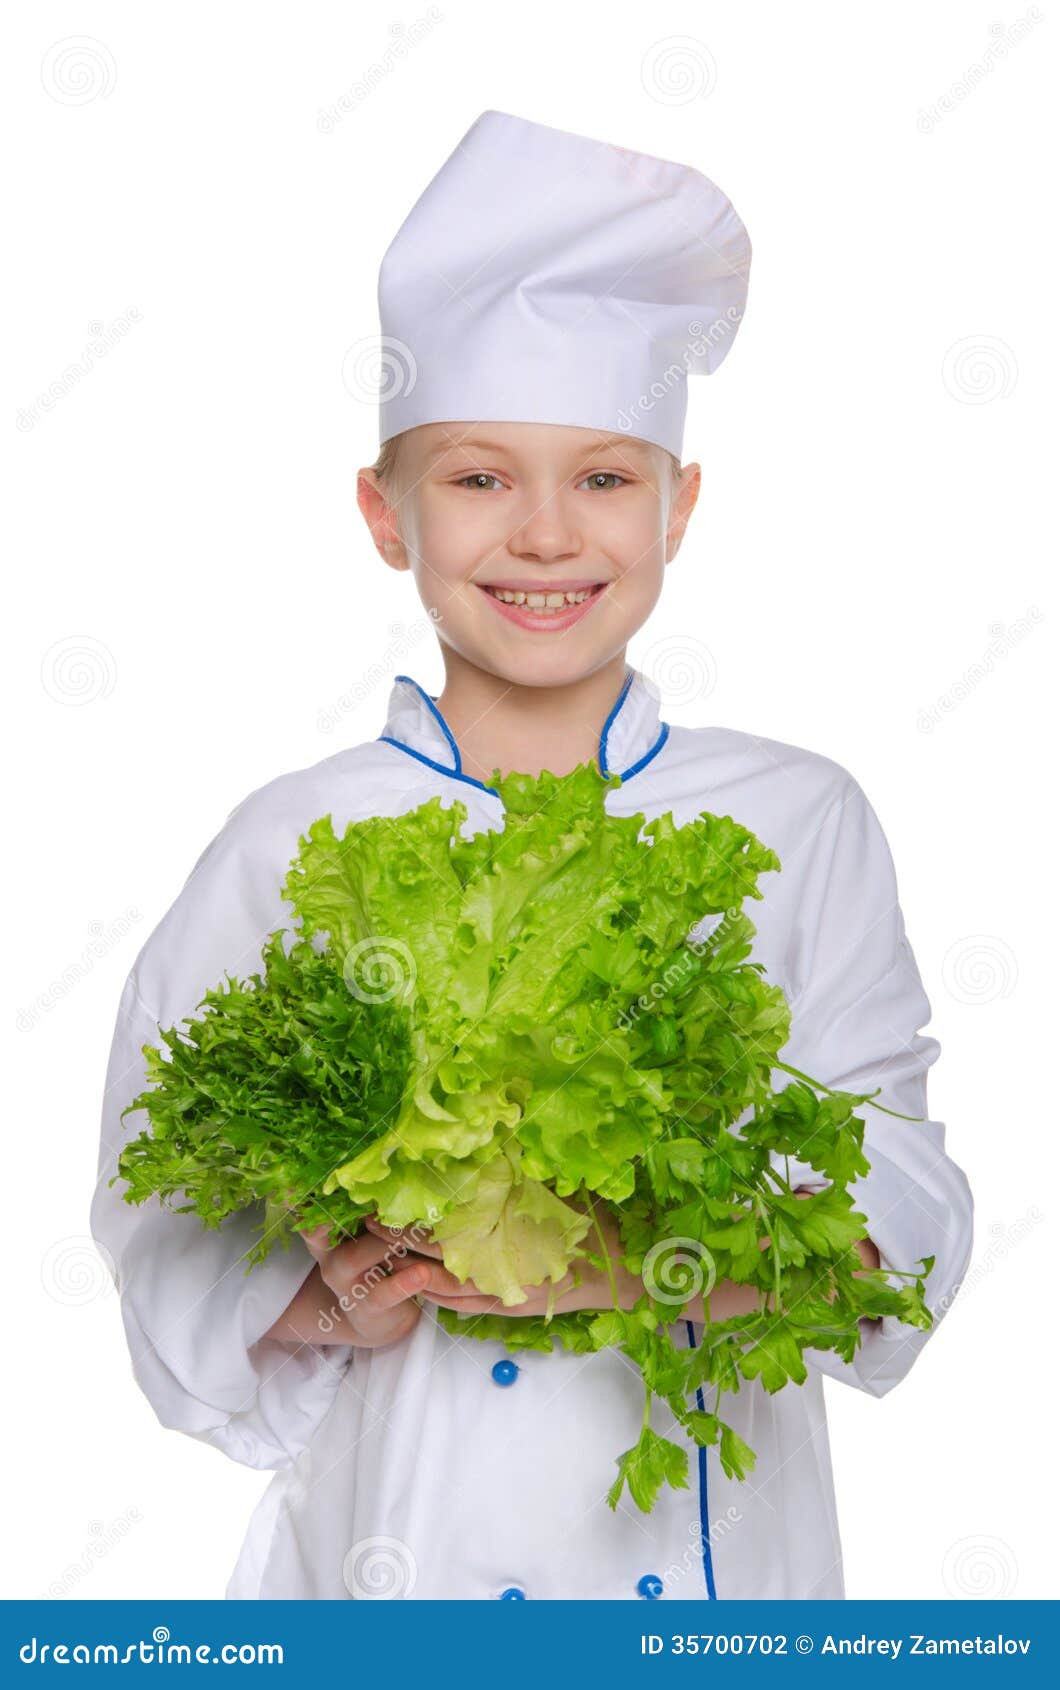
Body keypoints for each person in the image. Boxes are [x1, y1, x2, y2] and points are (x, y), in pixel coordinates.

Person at [90, 110, 973, 1601]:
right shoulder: (292, 837)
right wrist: (329, 1296)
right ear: (387, 511)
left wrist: (637, 1251)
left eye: (608, 480)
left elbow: (904, 1240)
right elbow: (155, 1210)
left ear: (680, 507)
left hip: (714, 1606)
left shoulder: (798, 817)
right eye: (480, 478)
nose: (547, 536)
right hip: (389, 1579)